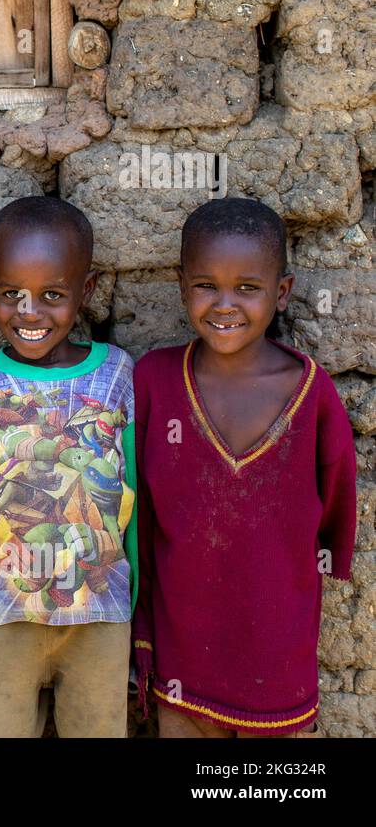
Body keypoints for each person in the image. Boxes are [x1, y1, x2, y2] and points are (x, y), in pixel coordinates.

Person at [132, 198, 356, 737]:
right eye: (206, 285)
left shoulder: (309, 392)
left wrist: (310, 568)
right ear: (182, 285)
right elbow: (132, 505)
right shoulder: (156, 382)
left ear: (282, 292)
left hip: (276, 648)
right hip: (183, 650)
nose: (224, 304)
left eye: (248, 288)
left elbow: (337, 500)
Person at [0, 196, 136, 737]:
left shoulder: (118, 376)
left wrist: (139, 625)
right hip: (1, 618)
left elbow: (133, 503)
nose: (29, 312)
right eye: (11, 294)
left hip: (100, 618)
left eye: (53, 295)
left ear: (87, 290)